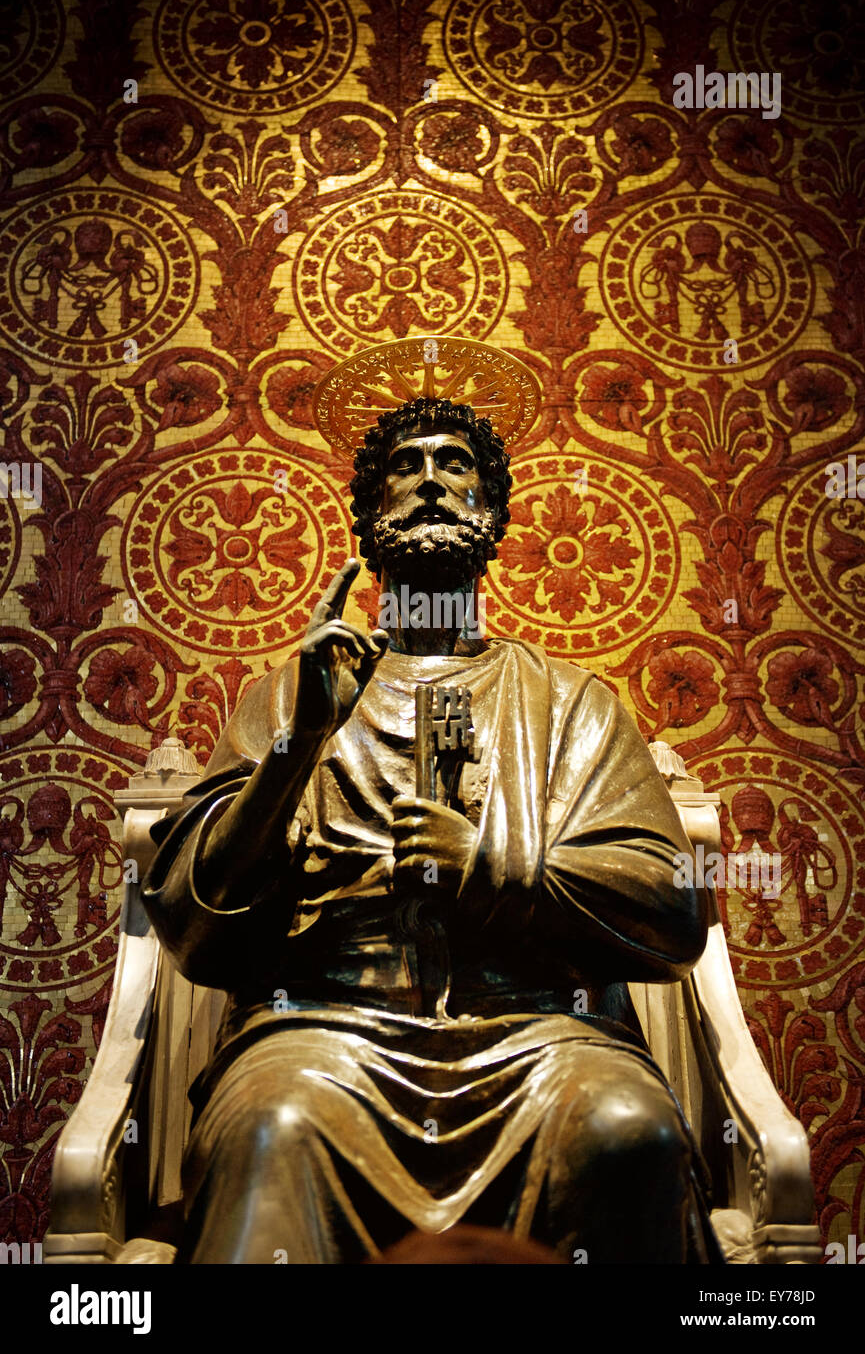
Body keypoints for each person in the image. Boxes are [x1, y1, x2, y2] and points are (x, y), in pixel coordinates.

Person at [142, 386, 717, 1264]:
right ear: (370, 519)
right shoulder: (288, 700)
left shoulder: (573, 705)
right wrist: (299, 745)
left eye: (456, 464)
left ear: (493, 513)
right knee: (272, 1125)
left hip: (541, 1038)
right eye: (403, 469)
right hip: (324, 1036)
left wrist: (492, 867)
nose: (430, 481)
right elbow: (193, 926)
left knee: (624, 1125)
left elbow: (671, 914)